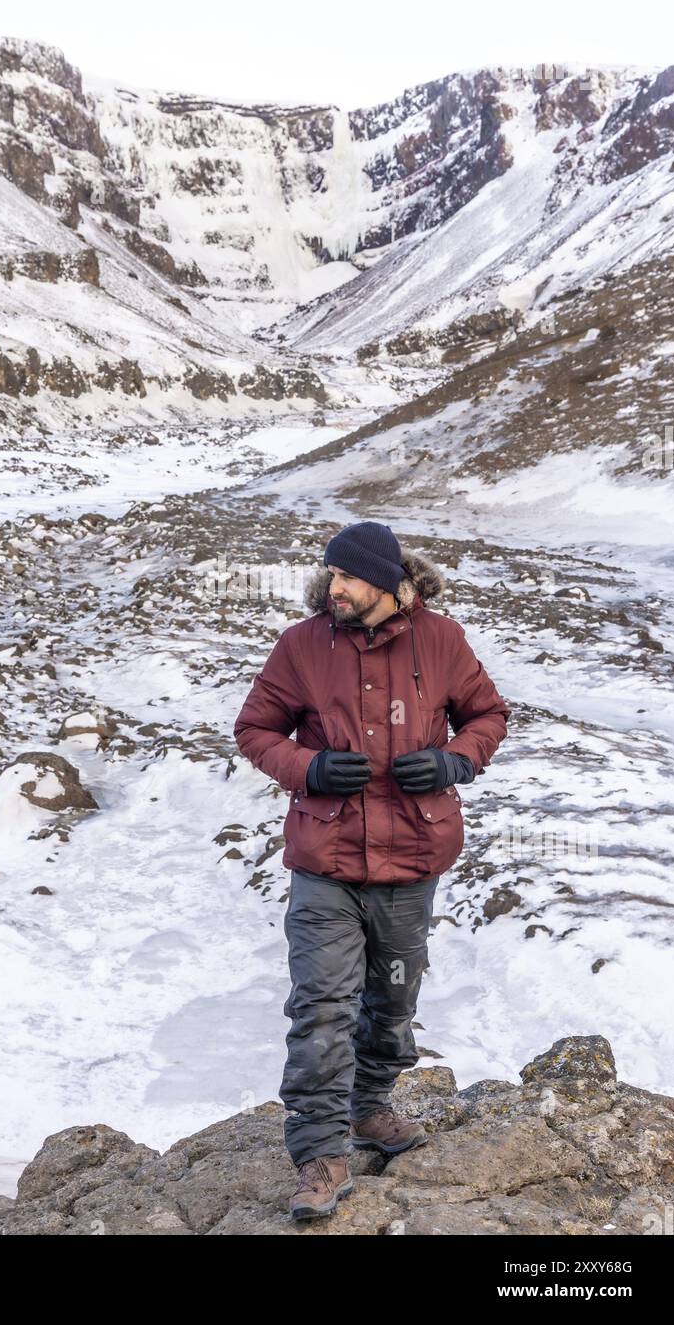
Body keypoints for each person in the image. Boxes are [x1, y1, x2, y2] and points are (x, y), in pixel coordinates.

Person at [232, 520, 511, 1220]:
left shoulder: (441, 639)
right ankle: (321, 1155)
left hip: (412, 861)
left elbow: (488, 715)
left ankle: (371, 1111)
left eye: (349, 576)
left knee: (391, 1003)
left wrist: (456, 760)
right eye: (331, 574)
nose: (335, 587)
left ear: (389, 583)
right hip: (325, 863)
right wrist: (310, 768)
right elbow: (255, 730)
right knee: (321, 1008)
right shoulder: (302, 645)